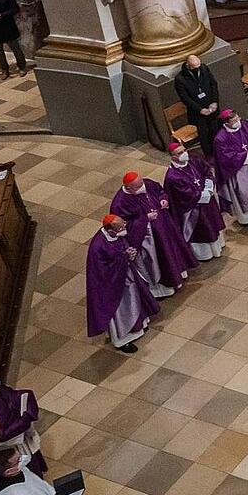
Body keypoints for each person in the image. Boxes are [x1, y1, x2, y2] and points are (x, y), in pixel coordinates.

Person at [109, 170, 193, 297]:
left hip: (164, 227)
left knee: (171, 251)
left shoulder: (146, 184)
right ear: (128, 188)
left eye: (141, 183)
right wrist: (145, 218)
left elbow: (159, 190)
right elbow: (123, 226)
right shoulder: (120, 203)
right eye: (138, 186)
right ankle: (162, 288)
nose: (143, 187)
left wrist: (163, 199)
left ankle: (179, 274)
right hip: (149, 238)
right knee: (161, 259)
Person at [84, 213, 157, 353]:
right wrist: (124, 257)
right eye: (120, 229)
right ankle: (122, 340)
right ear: (110, 230)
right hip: (112, 286)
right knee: (121, 310)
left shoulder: (116, 234)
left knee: (135, 299)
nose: (124, 230)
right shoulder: (98, 246)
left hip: (125, 276)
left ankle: (139, 326)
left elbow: (123, 246)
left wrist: (129, 252)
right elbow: (102, 270)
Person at [161, 141, 225, 263]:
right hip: (193, 209)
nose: (184, 154)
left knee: (213, 223)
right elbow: (185, 195)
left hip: (207, 200)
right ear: (173, 156)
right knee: (203, 229)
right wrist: (205, 194)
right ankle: (205, 254)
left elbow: (207, 171)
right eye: (180, 153)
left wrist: (209, 187)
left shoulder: (194, 160)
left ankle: (218, 246)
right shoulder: (173, 176)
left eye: (184, 150)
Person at [0, 372, 45, 475]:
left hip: (21, 432)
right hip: (11, 443)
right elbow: (2, 433)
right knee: (24, 465)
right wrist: (24, 419)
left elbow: (13, 395)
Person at [173, 55, 221, 149]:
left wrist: (214, 101)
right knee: (204, 136)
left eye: (199, 66)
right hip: (197, 112)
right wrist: (200, 110)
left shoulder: (203, 68)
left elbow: (213, 85)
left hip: (211, 106)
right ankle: (208, 154)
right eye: (195, 68)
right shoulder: (180, 78)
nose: (198, 69)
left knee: (215, 130)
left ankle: (218, 150)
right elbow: (185, 98)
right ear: (188, 65)